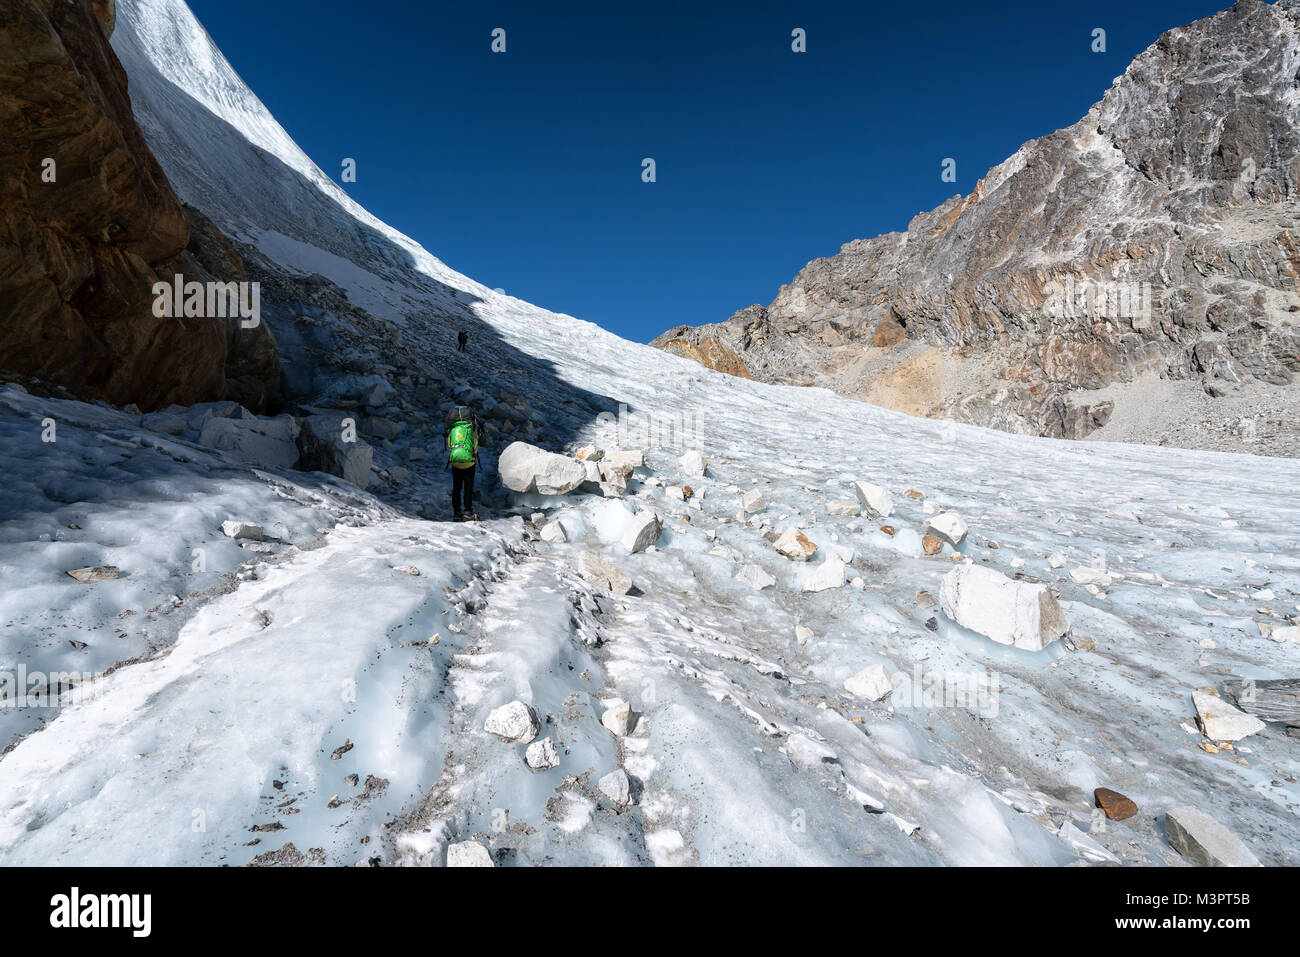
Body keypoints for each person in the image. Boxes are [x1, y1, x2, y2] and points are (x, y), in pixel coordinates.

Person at [445, 404, 482, 520]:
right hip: (469, 463)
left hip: (455, 461)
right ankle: (467, 512)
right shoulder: (470, 430)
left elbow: (450, 445)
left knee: (457, 487)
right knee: (468, 487)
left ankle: (456, 512)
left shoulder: (453, 430)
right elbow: (475, 444)